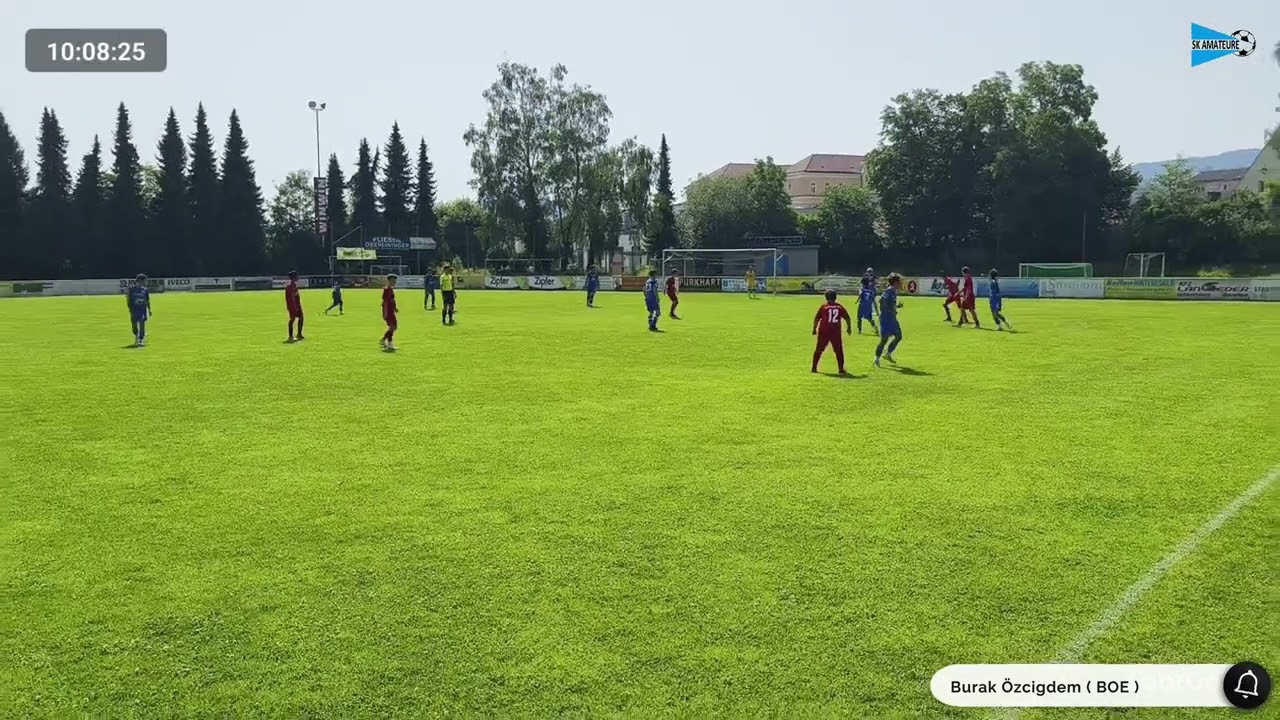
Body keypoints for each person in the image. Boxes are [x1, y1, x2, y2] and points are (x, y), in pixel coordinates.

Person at [811, 290, 852, 374]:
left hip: (824, 331)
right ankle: (841, 369)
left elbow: (817, 318)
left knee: (819, 349)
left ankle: (814, 368)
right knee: (838, 350)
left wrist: (814, 329)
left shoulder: (824, 307)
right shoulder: (839, 307)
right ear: (835, 297)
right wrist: (849, 328)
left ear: (826, 298)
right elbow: (847, 317)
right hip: (835, 332)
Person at [874, 273, 905, 367]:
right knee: (884, 339)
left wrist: (896, 307)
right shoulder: (890, 290)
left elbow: (888, 303)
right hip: (886, 318)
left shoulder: (893, 291)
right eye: (899, 282)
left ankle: (887, 354)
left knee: (898, 336)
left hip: (891, 318)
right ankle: (876, 359)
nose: (900, 284)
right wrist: (889, 310)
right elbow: (882, 300)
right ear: (895, 282)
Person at [126, 273, 152, 347]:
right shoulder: (131, 290)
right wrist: (130, 309)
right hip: (134, 310)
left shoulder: (145, 290)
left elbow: (147, 300)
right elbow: (128, 300)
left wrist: (149, 309)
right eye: (145, 280)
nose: (146, 282)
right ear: (140, 281)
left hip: (142, 310)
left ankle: (141, 338)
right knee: (134, 326)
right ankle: (136, 335)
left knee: (141, 322)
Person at [285, 270, 305, 341]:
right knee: (292, 319)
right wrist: (294, 307)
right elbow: (291, 298)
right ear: (294, 277)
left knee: (301, 318)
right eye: (297, 276)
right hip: (293, 306)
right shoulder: (290, 286)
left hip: (297, 305)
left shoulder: (293, 285)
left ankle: (299, 334)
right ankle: (290, 336)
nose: (298, 277)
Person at [380, 274, 399, 350]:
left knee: (394, 327)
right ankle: (388, 343)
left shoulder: (390, 289)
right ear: (388, 281)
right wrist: (385, 313)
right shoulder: (386, 289)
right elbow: (385, 302)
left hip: (391, 311)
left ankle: (384, 340)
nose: (394, 282)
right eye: (392, 281)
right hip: (388, 311)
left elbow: (392, 300)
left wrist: (395, 308)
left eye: (395, 281)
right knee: (392, 327)